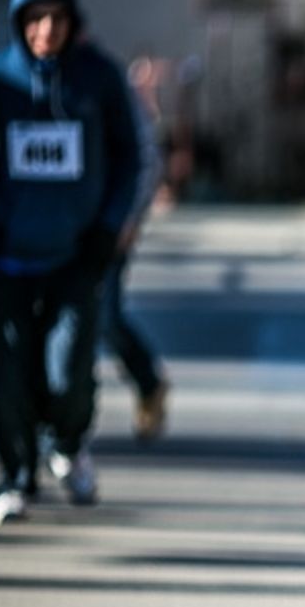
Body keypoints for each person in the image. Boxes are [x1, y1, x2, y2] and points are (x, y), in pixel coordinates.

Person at [0, 0, 141, 527]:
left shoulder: (98, 78)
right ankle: (16, 477)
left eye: (58, 19)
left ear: (73, 23)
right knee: (7, 379)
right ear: (20, 22)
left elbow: (128, 156)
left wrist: (108, 227)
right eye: (35, 19)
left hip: (75, 256)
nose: (47, 30)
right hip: (10, 259)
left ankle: (67, 444)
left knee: (67, 372)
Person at [103, 58, 169, 444]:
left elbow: (147, 160)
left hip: (108, 232)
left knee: (106, 319)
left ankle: (149, 383)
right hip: (53, 234)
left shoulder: (105, 85)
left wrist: (129, 219)